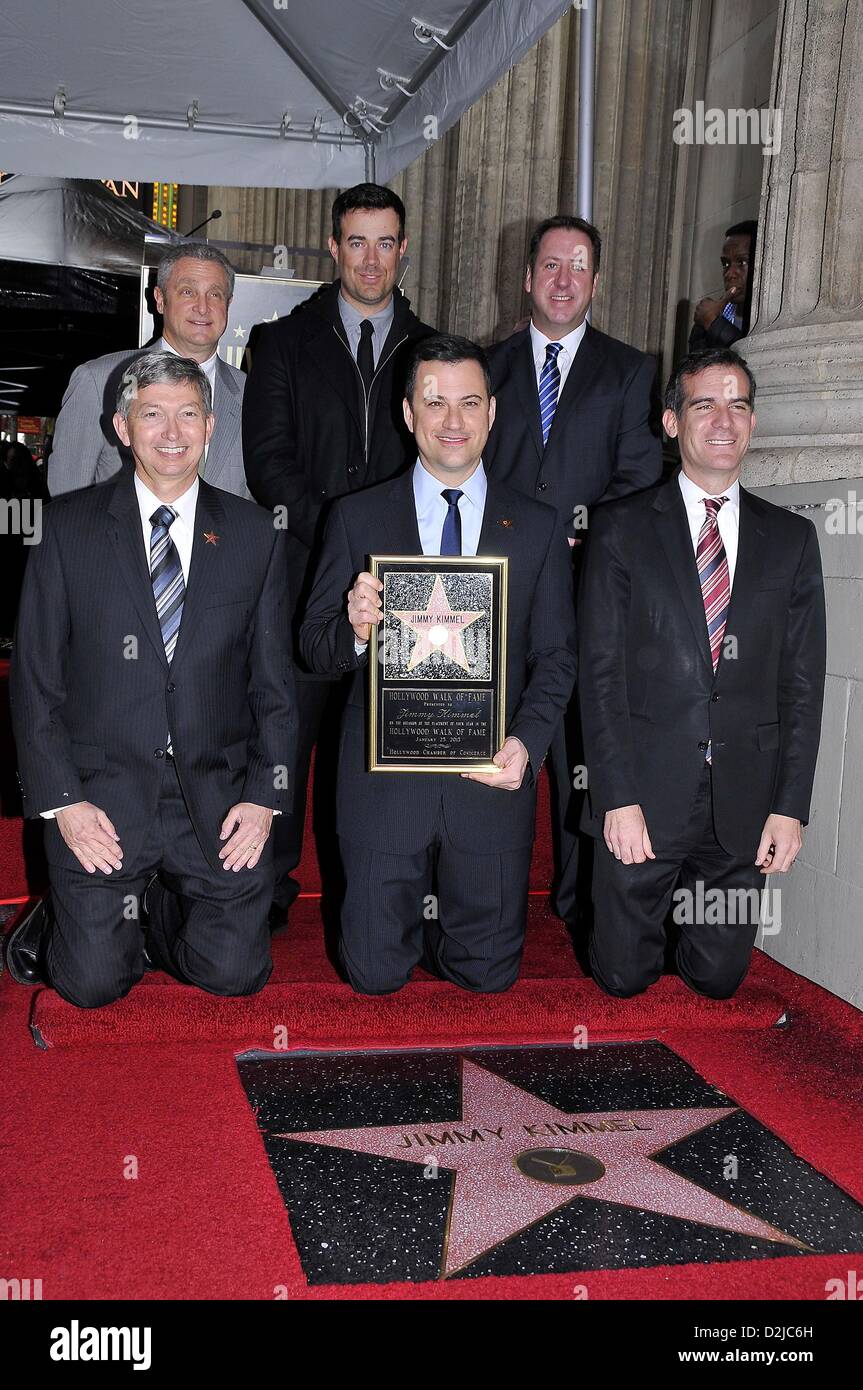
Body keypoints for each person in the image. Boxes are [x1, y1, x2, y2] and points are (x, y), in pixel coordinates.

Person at [6, 352, 297, 1008]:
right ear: (121, 427)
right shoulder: (64, 529)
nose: (173, 431)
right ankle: (74, 916)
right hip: (101, 793)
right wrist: (64, 803)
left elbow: (273, 688)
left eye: (188, 413)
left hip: (216, 796)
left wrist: (262, 798)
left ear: (211, 424)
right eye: (153, 414)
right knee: (90, 986)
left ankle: (160, 912)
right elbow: (35, 684)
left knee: (234, 975)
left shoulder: (256, 534)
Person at [299, 334, 577, 995]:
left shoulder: (535, 527)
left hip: (488, 779)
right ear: (406, 413)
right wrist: (355, 629)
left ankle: (442, 932)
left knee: (488, 978)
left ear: (491, 413)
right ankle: (397, 930)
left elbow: (556, 654)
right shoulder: (354, 518)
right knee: (370, 975)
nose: (451, 421)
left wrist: (525, 744)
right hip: (383, 783)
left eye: (467, 403)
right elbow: (312, 648)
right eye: (434, 403)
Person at [577, 348, 826, 999]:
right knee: (622, 978)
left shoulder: (791, 540)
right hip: (643, 796)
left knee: (718, 981)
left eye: (738, 404)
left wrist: (788, 808)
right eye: (703, 404)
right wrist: (615, 799)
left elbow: (802, 684)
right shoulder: (620, 529)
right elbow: (599, 677)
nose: (723, 420)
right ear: (669, 421)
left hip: (743, 803)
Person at [242, 182, 435, 924]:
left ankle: (390, 893)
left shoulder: (431, 348)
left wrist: (384, 546)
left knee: (388, 739)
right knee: (287, 733)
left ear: (402, 248)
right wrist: (343, 534)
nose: (371, 259)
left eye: (385, 242)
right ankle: (271, 886)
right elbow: (269, 465)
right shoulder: (284, 343)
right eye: (356, 241)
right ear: (333, 247)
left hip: (406, 584)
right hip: (300, 575)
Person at [484, 215, 662, 924]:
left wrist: (581, 541)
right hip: (504, 593)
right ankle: (489, 902)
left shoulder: (629, 371)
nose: (563, 279)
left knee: (580, 747)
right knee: (506, 735)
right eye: (550, 265)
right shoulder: (484, 370)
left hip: (592, 591)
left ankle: (578, 907)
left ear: (596, 282)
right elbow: (468, 468)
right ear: (526, 278)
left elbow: (639, 476)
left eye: (578, 266)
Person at [48, 244, 251, 499]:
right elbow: (66, 502)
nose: (202, 307)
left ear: (228, 304)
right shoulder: (99, 381)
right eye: (188, 292)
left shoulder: (252, 395)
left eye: (215, 294)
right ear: (160, 299)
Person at [689, 220, 757, 351]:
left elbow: (752, 361)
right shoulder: (712, 314)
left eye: (742, 262)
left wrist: (714, 324)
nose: (730, 274)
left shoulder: (771, 317)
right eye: (725, 264)